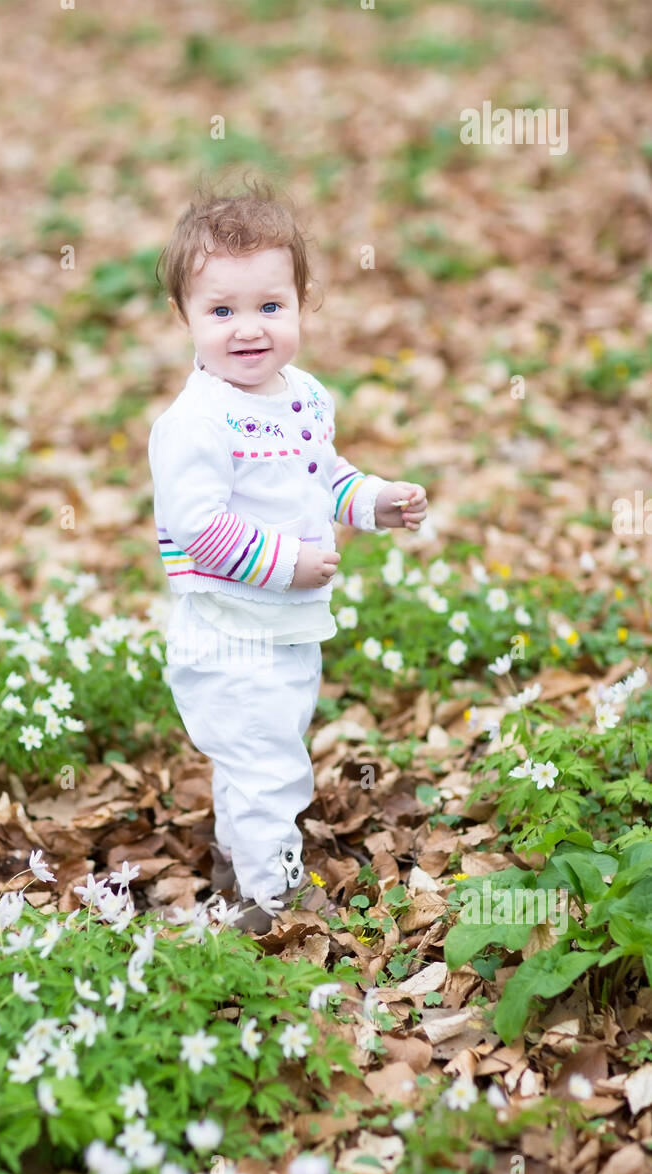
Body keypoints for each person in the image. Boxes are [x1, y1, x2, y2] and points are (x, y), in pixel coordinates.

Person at [149, 176, 427, 934]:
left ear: (303, 303)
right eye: (222, 311)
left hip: (285, 629)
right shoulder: (195, 422)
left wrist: (371, 501)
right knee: (270, 764)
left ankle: (239, 865)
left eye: (271, 306)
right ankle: (272, 903)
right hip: (231, 632)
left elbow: (320, 480)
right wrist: (287, 563)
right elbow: (198, 525)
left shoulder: (301, 395)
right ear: (185, 318)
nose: (249, 329)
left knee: (261, 757)